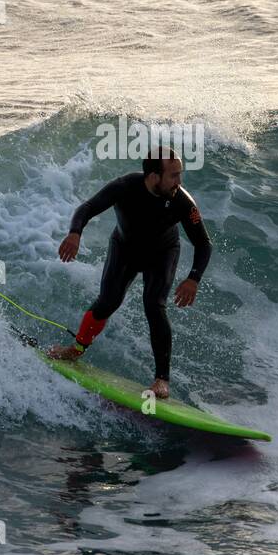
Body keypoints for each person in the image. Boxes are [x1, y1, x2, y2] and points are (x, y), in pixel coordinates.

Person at [49, 149, 211, 399]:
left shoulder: (182, 202)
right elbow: (89, 207)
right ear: (154, 176)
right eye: (174, 175)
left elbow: (203, 244)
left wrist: (193, 278)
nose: (179, 182)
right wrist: (75, 232)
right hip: (125, 249)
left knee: (154, 305)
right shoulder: (125, 186)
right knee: (107, 301)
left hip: (162, 253)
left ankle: (161, 381)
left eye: (180, 175)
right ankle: (76, 349)